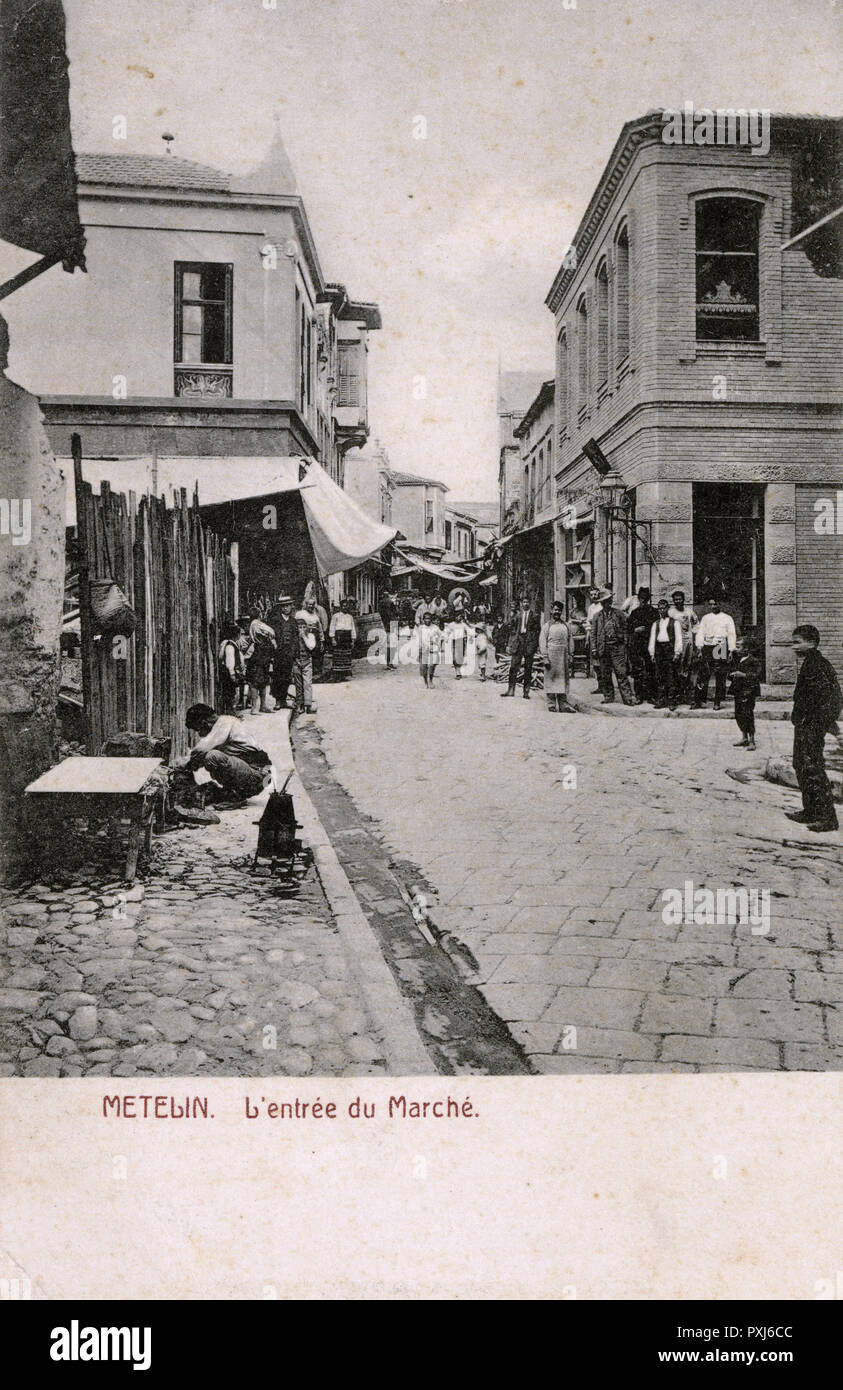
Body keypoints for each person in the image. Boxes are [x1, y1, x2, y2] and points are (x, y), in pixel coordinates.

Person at [786, 626, 841, 832]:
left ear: (812, 643)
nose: (794, 647)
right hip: (803, 725)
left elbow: (833, 700)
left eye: (797, 642)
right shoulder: (810, 663)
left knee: (814, 769)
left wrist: (824, 724)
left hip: (812, 726)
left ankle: (827, 818)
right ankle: (810, 810)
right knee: (800, 764)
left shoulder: (820, 666)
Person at [183, 703, 273, 804]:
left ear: (205, 723)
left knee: (212, 757)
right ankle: (231, 792)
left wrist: (182, 765)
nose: (199, 734)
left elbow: (200, 750)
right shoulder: (225, 722)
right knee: (211, 757)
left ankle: (236, 796)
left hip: (259, 776)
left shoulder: (224, 723)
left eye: (198, 729)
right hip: (256, 774)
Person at [592, 588, 638, 705]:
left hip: (617, 648)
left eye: (609, 600)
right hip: (603, 648)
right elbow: (593, 633)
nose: (608, 603)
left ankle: (627, 698)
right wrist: (594, 648)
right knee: (605, 674)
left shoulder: (619, 614)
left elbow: (626, 628)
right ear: (602, 603)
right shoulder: (597, 616)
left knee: (621, 673)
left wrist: (623, 641)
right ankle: (608, 697)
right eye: (605, 601)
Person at [693, 597, 737, 709]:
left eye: (716, 603)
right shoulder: (706, 618)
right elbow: (700, 632)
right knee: (703, 674)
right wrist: (699, 648)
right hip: (707, 646)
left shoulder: (727, 618)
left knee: (720, 674)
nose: (713, 606)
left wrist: (731, 650)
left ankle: (717, 701)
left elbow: (731, 634)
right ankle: (699, 701)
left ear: (720, 604)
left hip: (720, 647)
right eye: (711, 604)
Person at [501, 596, 540, 699]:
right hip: (518, 642)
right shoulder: (517, 615)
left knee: (528, 668)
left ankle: (526, 692)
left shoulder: (535, 616)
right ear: (521, 604)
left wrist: (534, 645)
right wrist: (510, 643)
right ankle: (510, 690)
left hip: (529, 643)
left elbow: (537, 632)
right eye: (524, 602)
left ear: (530, 603)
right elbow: (511, 629)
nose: (525, 604)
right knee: (513, 666)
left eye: (527, 602)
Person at [626, 586, 659, 704]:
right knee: (637, 671)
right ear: (638, 599)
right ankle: (639, 695)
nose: (643, 601)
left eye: (645, 598)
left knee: (651, 670)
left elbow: (658, 628)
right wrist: (635, 630)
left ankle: (651, 696)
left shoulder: (654, 612)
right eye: (641, 598)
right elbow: (628, 628)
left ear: (649, 599)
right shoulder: (634, 613)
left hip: (650, 645)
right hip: (637, 645)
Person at [647, 598, 682, 709]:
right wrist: (652, 653)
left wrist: (677, 652)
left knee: (671, 676)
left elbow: (678, 638)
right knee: (659, 676)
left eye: (664, 608)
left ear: (668, 608)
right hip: (659, 650)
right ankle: (661, 700)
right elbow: (652, 639)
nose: (662, 610)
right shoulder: (656, 623)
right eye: (660, 608)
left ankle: (672, 701)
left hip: (669, 650)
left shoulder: (675, 622)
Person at [729, 635, 762, 751]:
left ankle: (752, 740)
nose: (736, 649)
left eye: (738, 647)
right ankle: (744, 738)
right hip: (738, 691)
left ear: (746, 649)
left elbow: (757, 675)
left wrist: (743, 675)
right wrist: (732, 675)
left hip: (748, 692)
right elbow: (731, 673)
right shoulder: (737, 660)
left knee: (748, 714)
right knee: (738, 714)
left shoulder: (754, 661)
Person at [266, 594, 298, 711]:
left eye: (288, 606)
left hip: (289, 653)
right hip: (278, 653)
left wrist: (295, 652)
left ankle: (284, 700)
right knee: (277, 676)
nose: (286, 608)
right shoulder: (275, 620)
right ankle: (278, 700)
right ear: (280, 608)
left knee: (286, 676)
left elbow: (296, 638)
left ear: (291, 607)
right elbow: (269, 636)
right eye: (283, 606)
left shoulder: (293, 621)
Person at [539, 601, 573, 712]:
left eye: (559, 610)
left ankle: (563, 704)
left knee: (562, 680)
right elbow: (542, 642)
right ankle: (551, 703)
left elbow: (570, 640)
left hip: (563, 656)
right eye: (555, 610)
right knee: (551, 679)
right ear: (551, 611)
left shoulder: (566, 625)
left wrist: (571, 654)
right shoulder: (546, 626)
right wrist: (545, 657)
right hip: (551, 655)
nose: (557, 612)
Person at [668, 590, 699, 704]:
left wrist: (695, 637)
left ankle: (688, 695)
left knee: (688, 665)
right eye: (676, 599)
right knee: (677, 667)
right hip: (676, 642)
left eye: (680, 599)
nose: (678, 601)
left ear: (683, 599)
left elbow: (696, 625)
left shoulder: (689, 612)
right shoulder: (671, 612)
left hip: (688, 641)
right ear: (673, 601)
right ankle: (677, 694)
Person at [245, 616, 276, 715]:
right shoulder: (254, 642)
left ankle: (263, 705)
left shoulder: (265, 642)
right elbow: (248, 656)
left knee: (263, 685)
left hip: (263, 665)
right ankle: (254, 708)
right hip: (255, 666)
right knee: (254, 685)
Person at [217, 621, 244, 716]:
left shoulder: (225, 643)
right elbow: (230, 661)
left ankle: (230, 712)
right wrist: (232, 674)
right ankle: (230, 713)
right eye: (239, 634)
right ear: (235, 635)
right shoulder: (230, 646)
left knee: (229, 693)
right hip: (229, 672)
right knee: (230, 693)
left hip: (227, 672)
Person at [328, 598, 358, 681]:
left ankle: (345, 673)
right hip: (339, 637)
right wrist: (333, 639)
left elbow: (352, 628)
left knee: (346, 654)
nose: (345, 608)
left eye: (346, 606)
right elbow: (332, 627)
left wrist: (353, 640)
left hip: (347, 637)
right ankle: (337, 674)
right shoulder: (336, 616)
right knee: (338, 655)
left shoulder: (350, 617)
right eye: (343, 606)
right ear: (341, 607)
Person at [585, 586, 603, 693]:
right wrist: (588, 638)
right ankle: (600, 685)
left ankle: (605, 686)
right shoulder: (591, 608)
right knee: (595, 663)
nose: (594, 596)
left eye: (595, 594)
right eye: (591, 595)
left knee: (602, 662)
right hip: (593, 636)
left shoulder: (602, 607)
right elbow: (588, 623)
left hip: (601, 636)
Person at [418, 610, 441, 688]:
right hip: (424, 649)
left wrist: (437, 645)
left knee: (431, 666)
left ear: (431, 619)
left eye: (429, 618)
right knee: (424, 667)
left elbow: (440, 637)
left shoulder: (435, 628)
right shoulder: (420, 628)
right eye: (425, 618)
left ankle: (430, 680)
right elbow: (418, 639)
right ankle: (425, 682)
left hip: (433, 649)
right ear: (423, 619)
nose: (427, 620)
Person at [379, 588, 399, 669]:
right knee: (392, 645)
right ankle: (390, 662)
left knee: (387, 645)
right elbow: (396, 612)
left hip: (385, 625)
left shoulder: (381, 603)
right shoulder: (391, 603)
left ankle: (388, 663)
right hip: (392, 624)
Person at [447, 611, 470, 680]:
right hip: (454, 641)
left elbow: (469, 631)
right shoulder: (451, 624)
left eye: (460, 616)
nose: (458, 618)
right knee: (454, 658)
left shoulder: (463, 625)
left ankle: (459, 671)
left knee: (460, 657)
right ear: (454, 617)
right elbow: (447, 632)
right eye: (457, 616)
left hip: (462, 641)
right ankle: (458, 672)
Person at [473, 604, 489, 681]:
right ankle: (482, 674)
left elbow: (484, 646)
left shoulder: (482, 636)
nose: (477, 631)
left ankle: (483, 675)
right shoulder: (479, 635)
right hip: (480, 651)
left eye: (478, 629)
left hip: (482, 651)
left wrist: (480, 650)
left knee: (482, 664)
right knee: (480, 664)